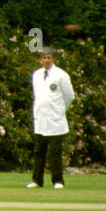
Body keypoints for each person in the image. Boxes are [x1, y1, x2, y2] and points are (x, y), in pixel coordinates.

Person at [27, 48, 74, 189]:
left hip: (56, 121)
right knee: (39, 152)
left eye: (49, 58)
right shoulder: (36, 75)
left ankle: (58, 181)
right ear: (40, 60)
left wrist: (60, 110)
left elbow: (69, 96)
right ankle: (37, 180)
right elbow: (38, 96)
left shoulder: (61, 75)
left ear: (53, 59)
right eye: (44, 58)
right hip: (41, 119)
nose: (46, 60)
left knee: (55, 153)